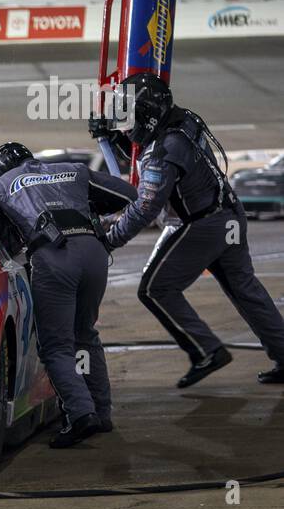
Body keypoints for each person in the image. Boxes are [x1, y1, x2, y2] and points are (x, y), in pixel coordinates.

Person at [101, 73, 284, 386]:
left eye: (130, 117)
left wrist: (110, 240)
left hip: (203, 225)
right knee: (246, 291)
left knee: (153, 288)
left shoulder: (161, 153)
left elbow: (146, 207)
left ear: (147, 115)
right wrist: (120, 139)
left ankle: (206, 350)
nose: (126, 125)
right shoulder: (185, 120)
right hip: (229, 213)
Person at [0, 142, 137, 446]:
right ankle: (102, 413)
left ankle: (80, 415)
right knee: (86, 334)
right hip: (94, 254)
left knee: (56, 347)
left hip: (53, 257)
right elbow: (128, 195)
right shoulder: (73, 170)